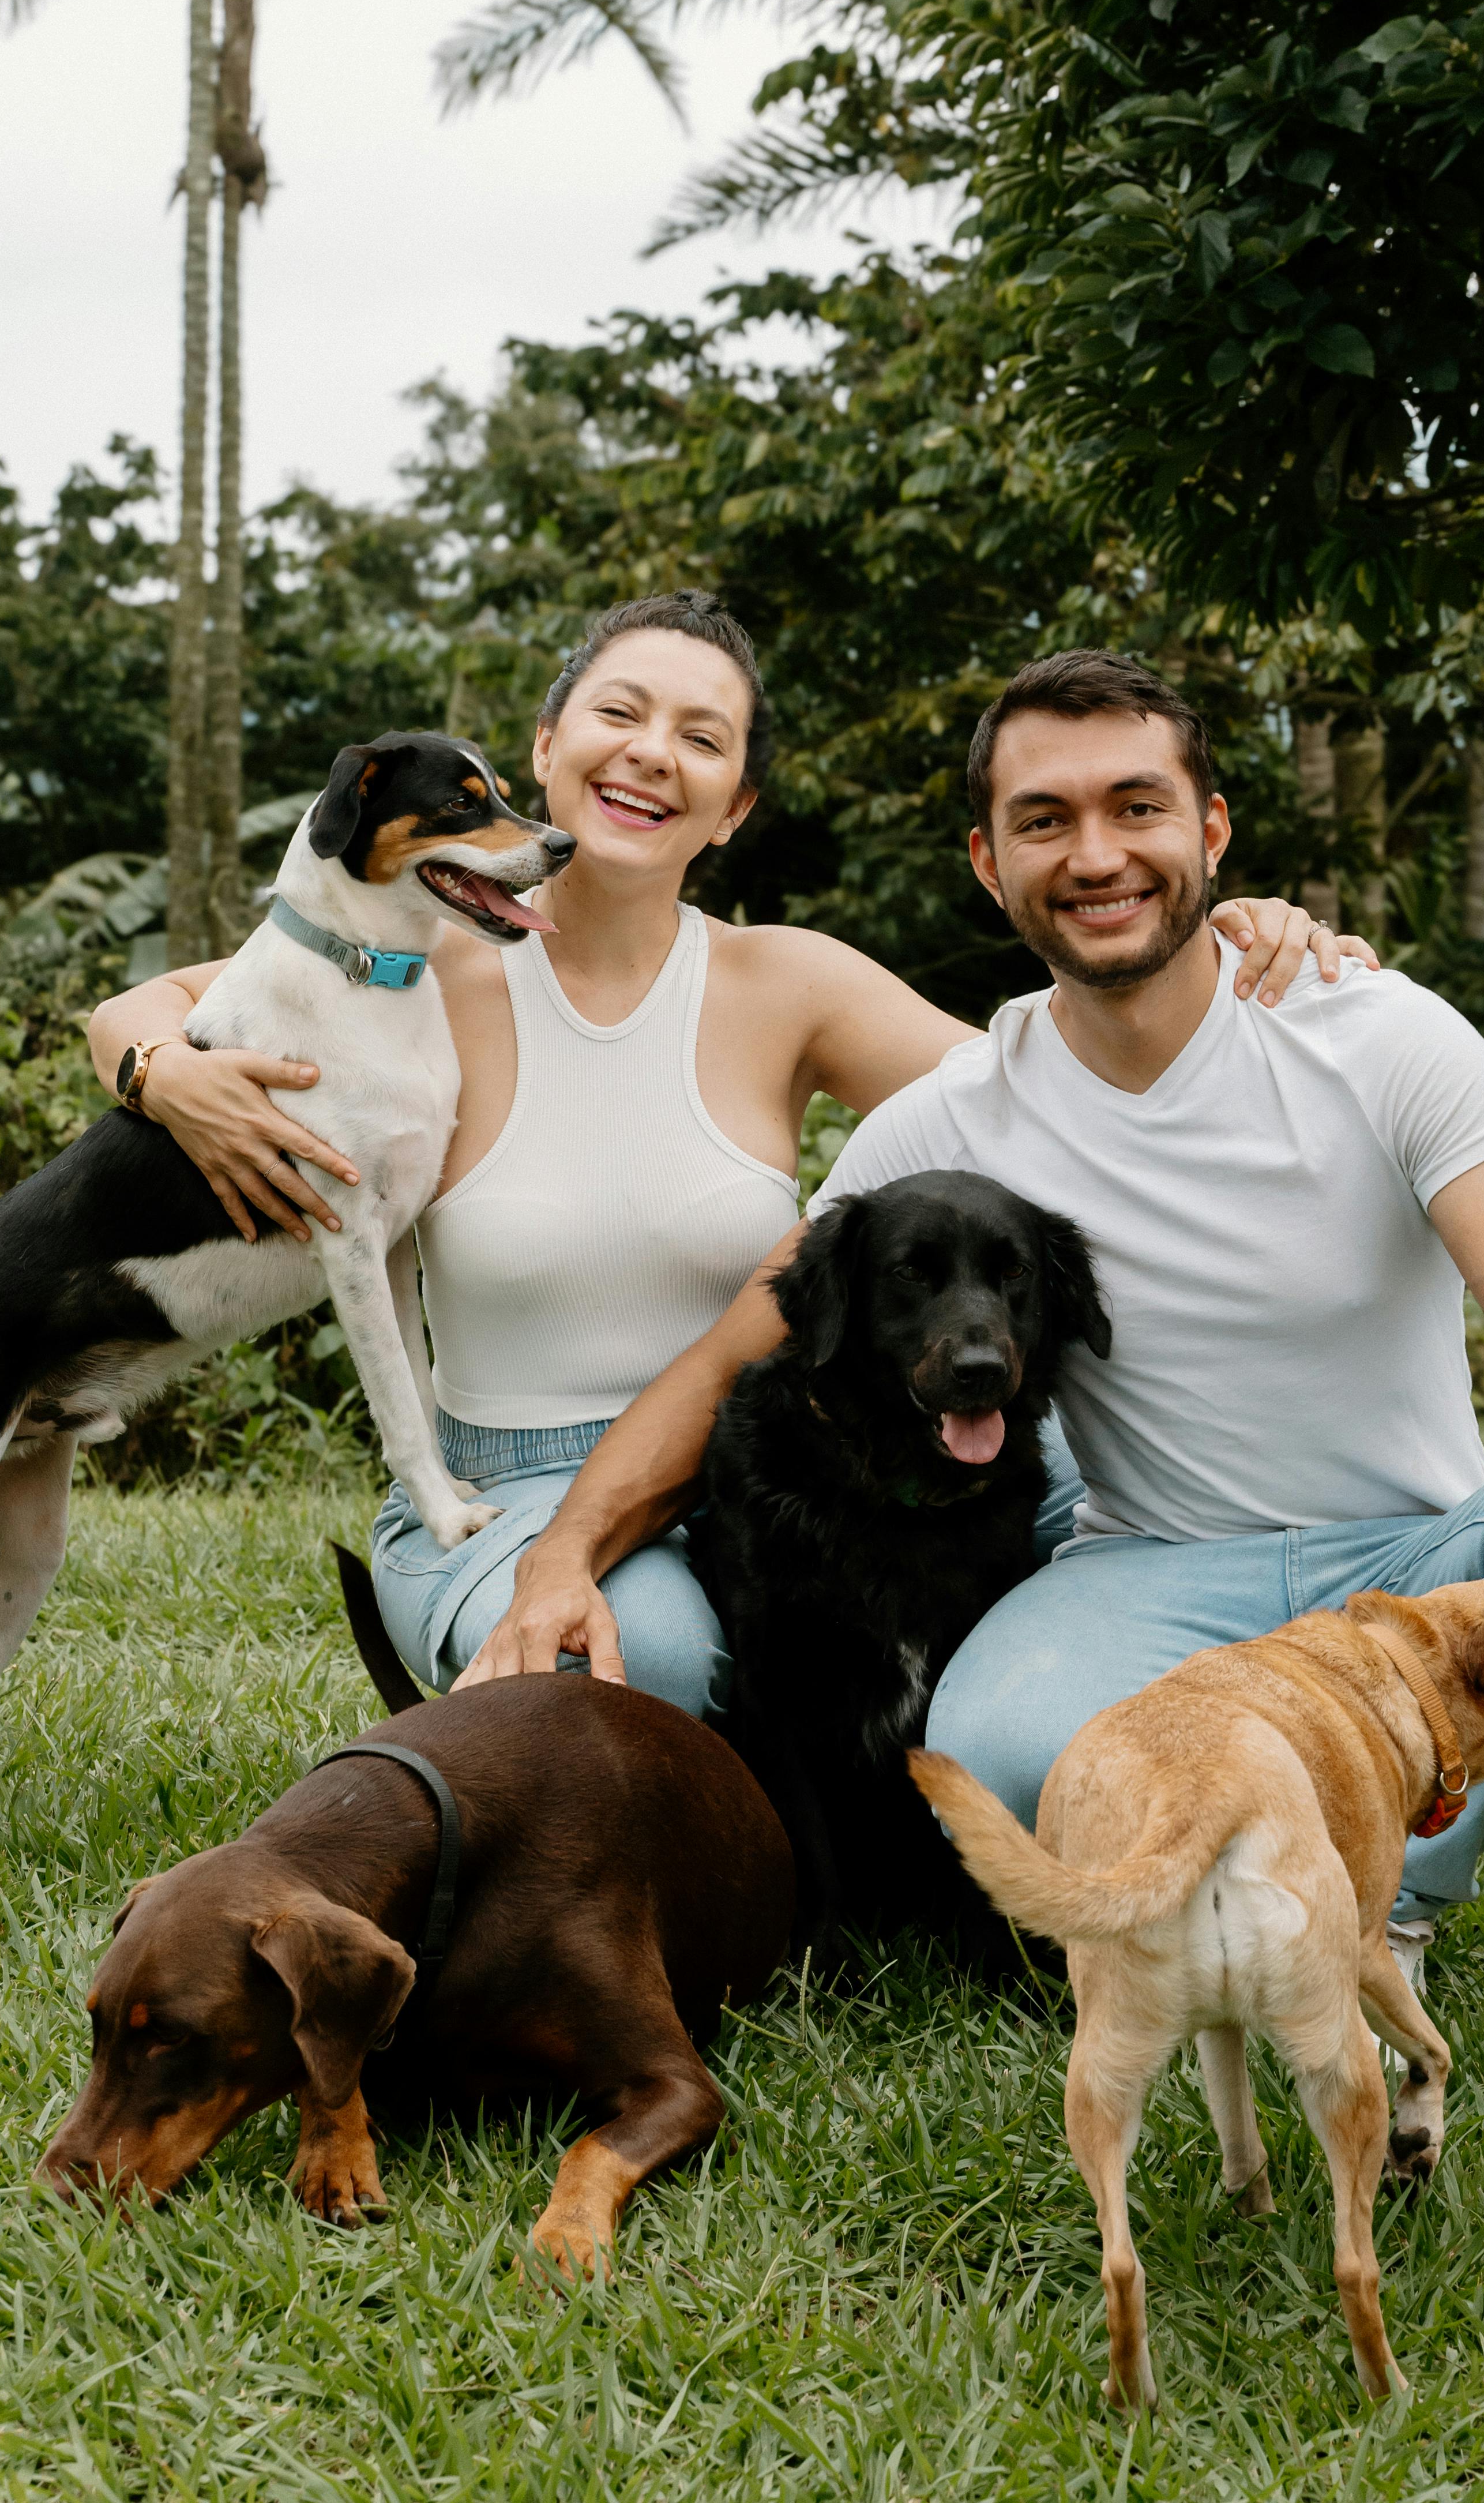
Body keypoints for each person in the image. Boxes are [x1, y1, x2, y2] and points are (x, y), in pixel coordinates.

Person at [465, 647, 1484, 1974]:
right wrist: (565, 1553)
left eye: (1135, 808)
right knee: (991, 1761)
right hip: (1150, 1572)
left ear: (1208, 831)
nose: (1095, 855)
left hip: (1410, 1566)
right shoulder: (957, 1117)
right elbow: (729, 1358)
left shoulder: (1377, 1035)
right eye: (1045, 821)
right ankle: (1248, 1869)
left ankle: (1395, 1893)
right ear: (989, 862)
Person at [87, 597, 1351, 1718]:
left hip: (781, 1464)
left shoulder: (783, 980)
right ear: (544, 750)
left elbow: (1066, 1080)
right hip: (518, 1489)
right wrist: (165, 1071)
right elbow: (141, 1008)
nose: (650, 751)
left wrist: (1227, 933)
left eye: (700, 738)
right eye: (618, 713)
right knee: (664, 1674)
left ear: (734, 807)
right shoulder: (416, 970)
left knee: (1091, 1513)